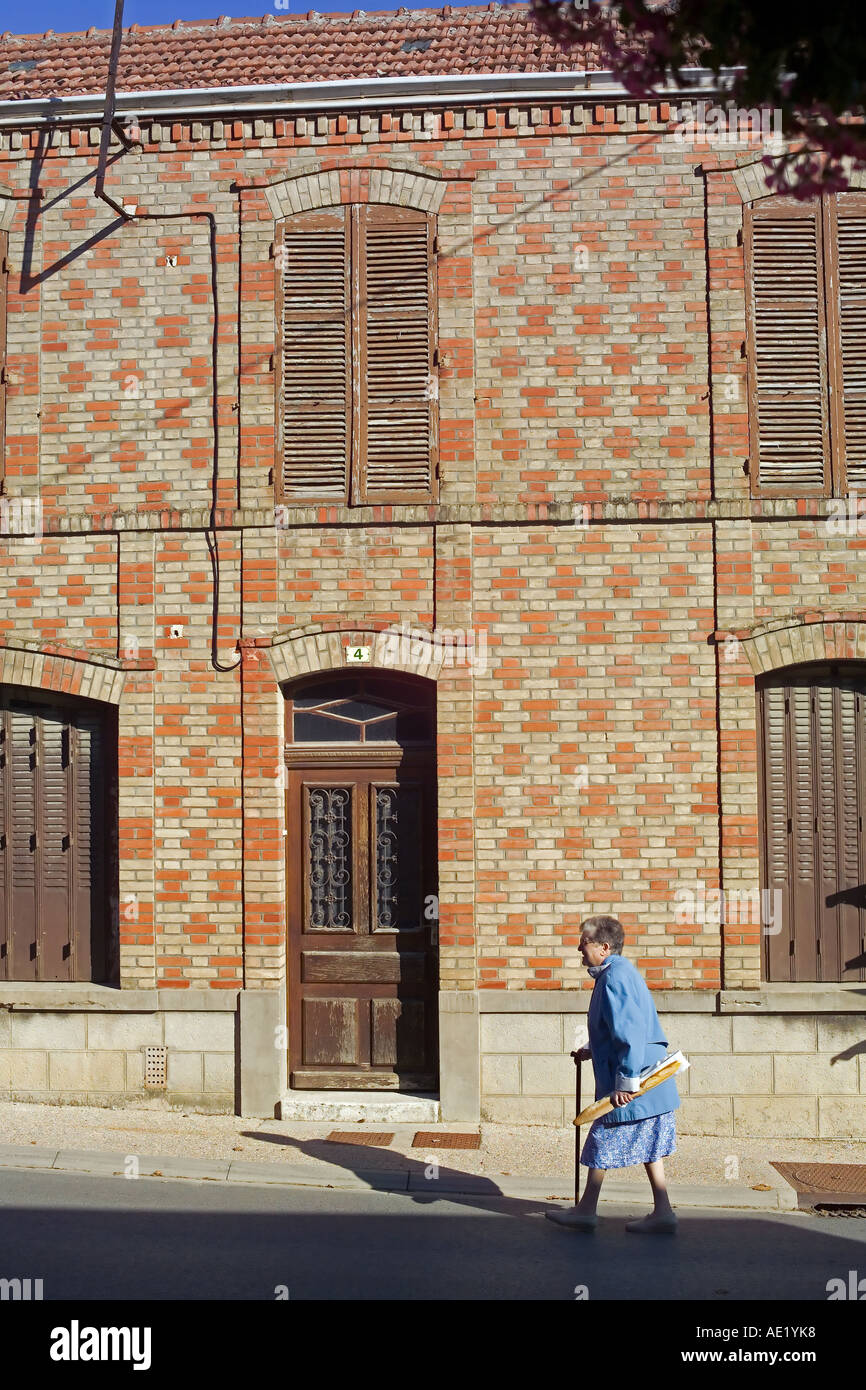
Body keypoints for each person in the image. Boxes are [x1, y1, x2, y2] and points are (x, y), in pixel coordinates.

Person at [546, 915, 679, 1234]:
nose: (579, 946)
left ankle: (586, 1211)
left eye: (584, 941)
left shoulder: (614, 977)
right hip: (644, 1073)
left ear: (603, 947)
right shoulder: (618, 972)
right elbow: (620, 1027)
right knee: (648, 1143)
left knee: (602, 1138)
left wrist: (626, 1081)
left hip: (636, 1076)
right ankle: (662, 1211)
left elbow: (630, 1031)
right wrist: (594, 1047)